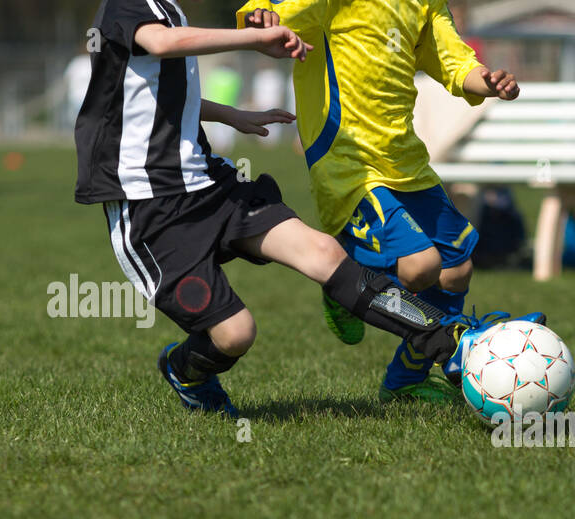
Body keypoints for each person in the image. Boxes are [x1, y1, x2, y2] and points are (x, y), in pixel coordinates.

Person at [76, 0, 496, 417]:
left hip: (210, 182)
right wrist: (254, 38)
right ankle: (186, 371)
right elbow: (164, 44)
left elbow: (158, 94)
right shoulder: (126, 6)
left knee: (326, 254)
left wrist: (229, 115)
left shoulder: (167, 7)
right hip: (152, 204)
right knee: (235, 334)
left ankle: (449, 339)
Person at [237, 1, 543, 405]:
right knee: (422, 266)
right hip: (348, 164)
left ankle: (404, 378)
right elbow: (271, 19)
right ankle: (349, 282)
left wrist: (487, 81)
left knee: (456, 270)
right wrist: (260, 15)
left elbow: (452, 62)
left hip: (406, 162)